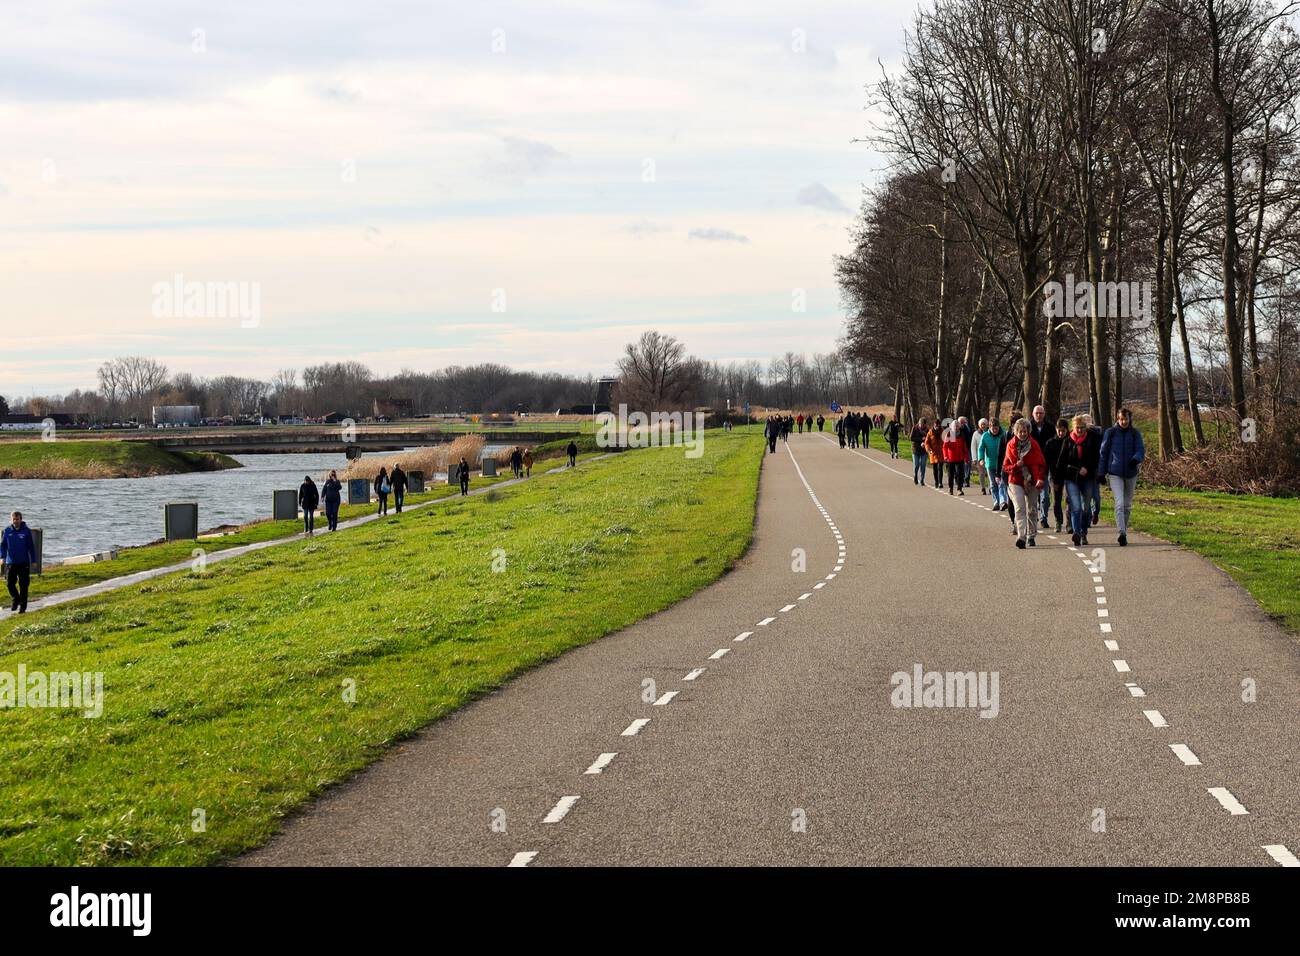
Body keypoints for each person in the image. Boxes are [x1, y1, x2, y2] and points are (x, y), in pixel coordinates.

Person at [1099, 406, 1145, 546]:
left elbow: (1140, 449)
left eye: (1125, 419)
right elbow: (1104, 452)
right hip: (1115, 473)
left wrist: (1135, 459)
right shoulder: (1111, 433)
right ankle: (1122, 533)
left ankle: (1123, 528)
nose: (1123, 421)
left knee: (1127, 505)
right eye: (1120, 419)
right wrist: (1101, 473)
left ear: (1129, 419)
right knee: (1119, 503)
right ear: (1117, 419)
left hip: (1131, 473)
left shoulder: (1135, 433)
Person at [1003, 418, 1046, 549]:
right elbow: (1005, 467)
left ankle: (1031, 536)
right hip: (1016, 480)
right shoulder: (1010, 445)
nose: (1022, 434)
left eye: (1024, 431)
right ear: (1015, 432)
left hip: (1032, 480)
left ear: (1028, 431)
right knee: (1020, 508)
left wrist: (1039, 478)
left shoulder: (1034, 445)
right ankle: (1021, 537)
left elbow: (1041, 464)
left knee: (1032, 509)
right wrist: (1016, 465)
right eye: (1020, 431)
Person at [1062, 414, 1101, 546]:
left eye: (1082, 428)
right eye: (1077, 428)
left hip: (1088, 478)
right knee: (1076, 507)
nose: (1079, 430)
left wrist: (1087, 468)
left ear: (1086, 428)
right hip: (1071, 478)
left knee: (1086, 509)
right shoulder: (1068, 441)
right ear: (1073, 428)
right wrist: (1057, 480)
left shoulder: (1091, 440)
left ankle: (1084, 532)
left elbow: (1096, 458)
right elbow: (1062, 461)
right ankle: (1076, 533)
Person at [1, 511, 35, 613]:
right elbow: (3, 546)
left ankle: (23, 608)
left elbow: (31, 547)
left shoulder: (26, 531)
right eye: (14, 519)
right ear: (11, 520)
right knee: (9, 584)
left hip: (23, 562)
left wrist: (33, 560)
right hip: (10, 562)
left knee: (23, 585)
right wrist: (2, 557)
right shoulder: (7, 531)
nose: (16, 521)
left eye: (17, 519)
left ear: (21, 519)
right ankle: (16, 599)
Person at [1043, 419, 1069, 534]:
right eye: (1059, 431)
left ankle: (1069, 523)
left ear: (1066, 430)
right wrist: (1049, 477)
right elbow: (1046, 462)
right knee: (1056, 501)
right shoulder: (1050, 443)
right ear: (1056, 430)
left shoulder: (1070, 442)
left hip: (1068, 475)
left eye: (1063, 431)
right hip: (1054, 476)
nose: (1061, 433)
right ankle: (1058, 521)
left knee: (1069, 499)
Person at [979, 420, 1007, 510]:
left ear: (999, 427)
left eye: (996, 428)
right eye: (993, 428)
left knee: (1002, 483)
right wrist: (981, 459)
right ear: (989, 427)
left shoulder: (1003, 435)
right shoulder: (985, 436)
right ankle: (996, 502)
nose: (995, 430)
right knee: (993, 484)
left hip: (1002, 463)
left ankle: (1003, 501)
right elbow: (981, 448)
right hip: (990, 463)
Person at [942, 422, 968, 495]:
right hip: (951, 458)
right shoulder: (949, 435)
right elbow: (944, 447)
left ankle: (959, 489)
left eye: (957, 426)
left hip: (960, 458)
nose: (956, 428)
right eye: (954, 426)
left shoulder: (961, 435)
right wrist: (945, 456)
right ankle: (951, 488)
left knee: (960, 474)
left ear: (959, 427)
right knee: (951, 474)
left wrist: (966, 457)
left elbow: (964, 447)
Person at [970, 418, 989, 494]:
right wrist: (974, 458)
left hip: (988, 456)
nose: (983, 426)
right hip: (980, 457)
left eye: (984, 424)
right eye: (982, 424)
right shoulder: (975, 434)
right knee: (981, 473)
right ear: (979, 425)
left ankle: (991, 487)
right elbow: (973, 447)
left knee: (989, 473)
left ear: (987, 425)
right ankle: (983, 487)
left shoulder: (989, 433)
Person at [924, 420, 944, 487]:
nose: (937, 427)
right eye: (935, 426)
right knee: (935, 468)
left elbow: (946, 441)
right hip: (933, 453)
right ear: (934, 425)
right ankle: (936, 481)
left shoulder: (943, 432)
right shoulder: (930, 432)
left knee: (940, 468)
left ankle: (940, 482)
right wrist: (929, 450)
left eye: (938, 426)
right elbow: (926, 443)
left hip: (941, 453)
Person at [910, 418, 928, 484]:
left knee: (923, 465)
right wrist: (921, 439)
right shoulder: (915, 428)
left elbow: (929, 439)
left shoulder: (927, 430)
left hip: (924, 450)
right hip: (915, 450)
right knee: (916, 465)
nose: (921, 425)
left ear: (925, 424)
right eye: (920, 424)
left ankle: (922, 479)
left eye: (922, 424)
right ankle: (915, 476)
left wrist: (925, 441)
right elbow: (911, 438)